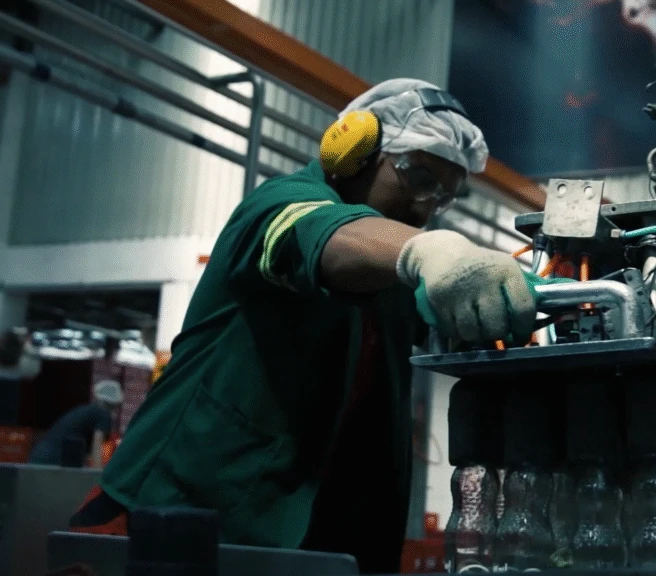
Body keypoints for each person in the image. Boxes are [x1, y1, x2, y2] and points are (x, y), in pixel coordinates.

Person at [68, 79, 536, 573]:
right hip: (175, 519)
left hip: (315, 542)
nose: (426, 207)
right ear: (355, 152)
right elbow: (319, 235)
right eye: (418, 178)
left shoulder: (396, 267)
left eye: (444, 195)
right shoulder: (280, 205)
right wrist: (426, 251)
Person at [29, 379, 123, 467]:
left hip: (40, 456)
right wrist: (97, 474)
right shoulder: (102, 414)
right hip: (56, 461)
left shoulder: (86, 410)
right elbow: (97, 444)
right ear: (115, 403)